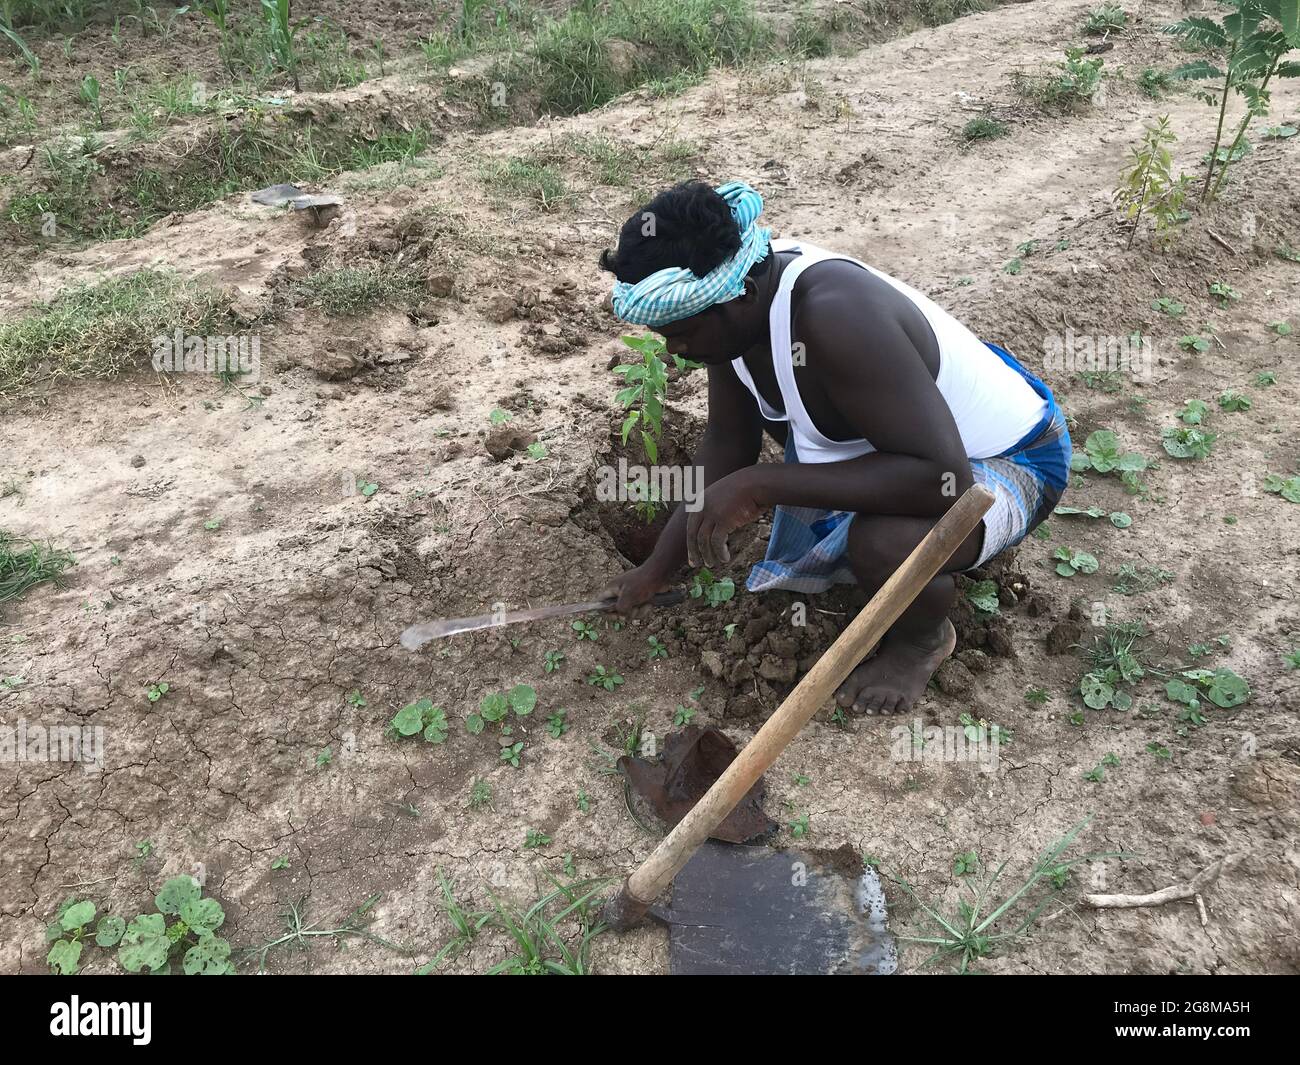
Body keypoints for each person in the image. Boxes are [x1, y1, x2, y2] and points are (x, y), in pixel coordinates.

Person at [597, 181, 1070, 715]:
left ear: (740, 297)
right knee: (805, 464)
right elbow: (728, 441)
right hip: (915, 445)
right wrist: (657, 568)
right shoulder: (736, 315)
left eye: (680, 333)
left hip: (1013, 460)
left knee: (882, 543)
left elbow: (946, 481)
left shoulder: (834, 315)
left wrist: (760, 484)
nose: (674, 349)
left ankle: (922, 641)